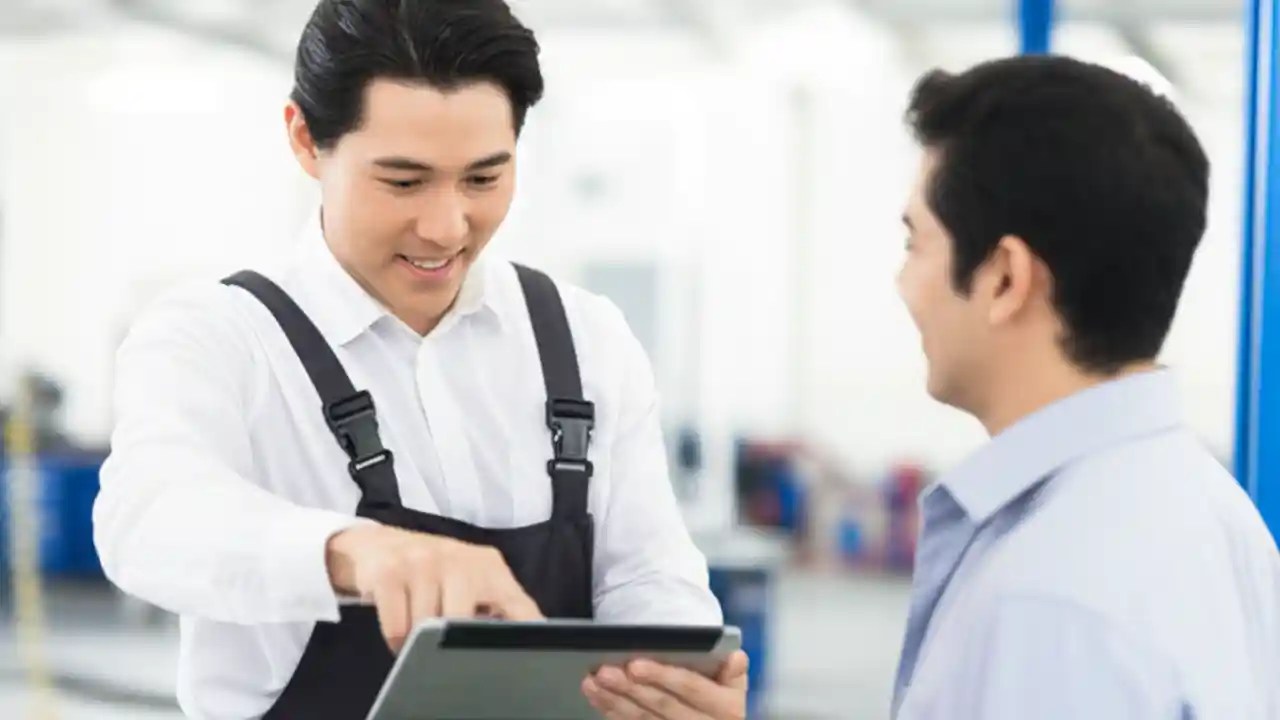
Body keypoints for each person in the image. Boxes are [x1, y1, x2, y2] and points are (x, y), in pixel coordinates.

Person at [91, 1, 747, 718]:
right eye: (403, 182)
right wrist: (351, 552)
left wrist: (674, 680)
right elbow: (147, 518)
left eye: (483, 179)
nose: (445, 227)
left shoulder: (587, 338)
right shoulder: (217, 336)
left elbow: (649, 575)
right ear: (306, 139)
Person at [892, 55, 1280, 719]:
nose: (903, 284)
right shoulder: (1224, 518)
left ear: (1006, 278)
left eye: (915, 244)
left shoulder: (1048, 599)